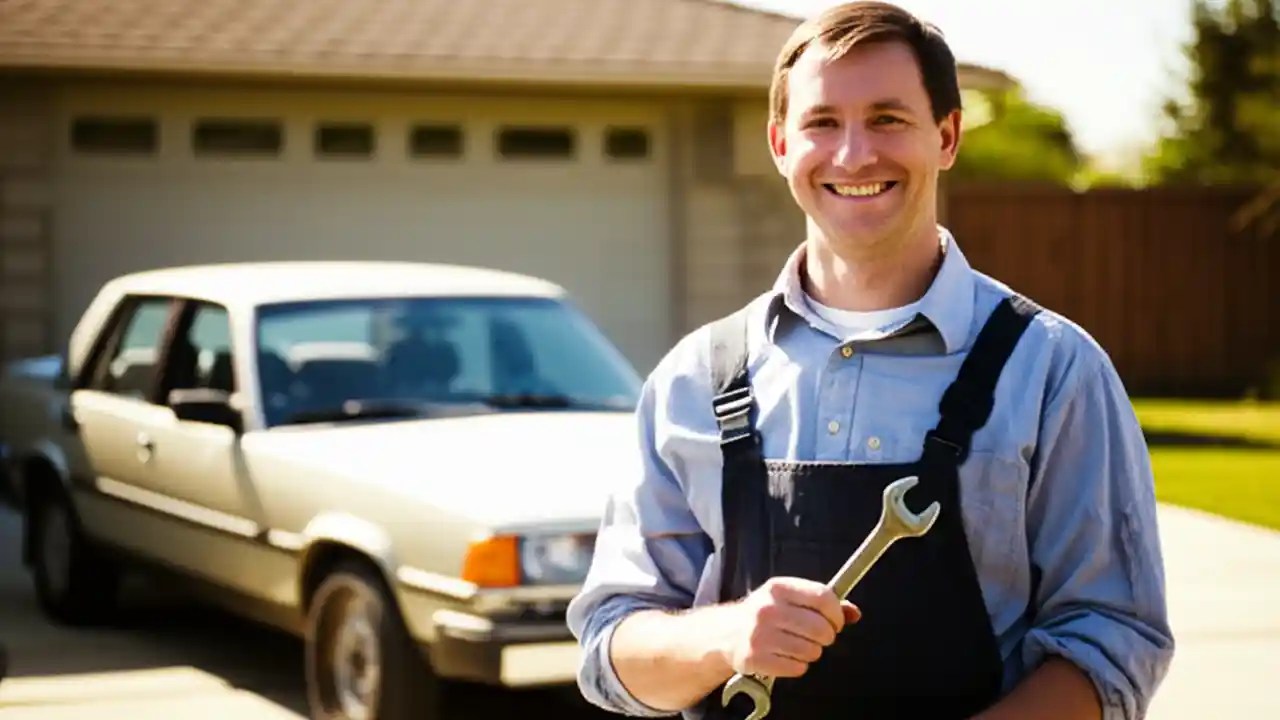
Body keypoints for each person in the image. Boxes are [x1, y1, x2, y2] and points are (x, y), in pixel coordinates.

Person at [565, 2, 1174, 719]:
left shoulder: (1052, 371)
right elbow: (610, 655)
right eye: (822, 122)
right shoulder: (694, 381)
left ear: (946, 136)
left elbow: (1113, 642)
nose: (854, 156)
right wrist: (727, 636)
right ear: (780, 144)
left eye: (888, 118)